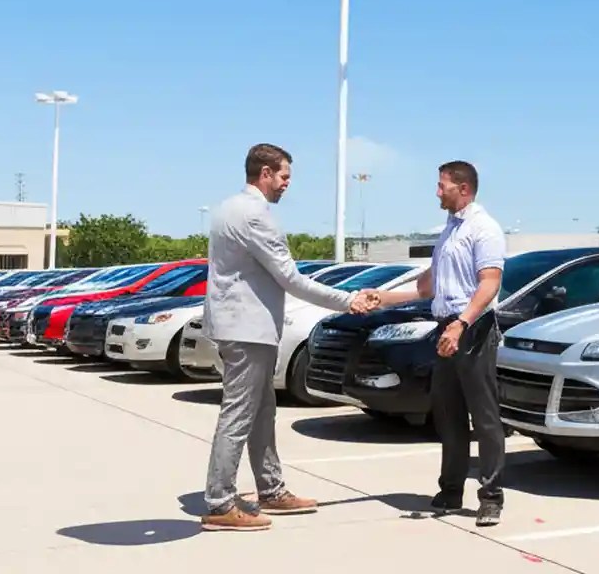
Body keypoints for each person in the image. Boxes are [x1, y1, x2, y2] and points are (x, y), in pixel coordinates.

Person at [200, 143, 366, 532]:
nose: (287, 185)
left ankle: (271, 488)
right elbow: (290, 278)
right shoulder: (257, 216)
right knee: (239, 414)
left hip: (238, 326)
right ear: (265, 173)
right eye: (284, 176)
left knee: (261, 413)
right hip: (248, 329)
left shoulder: (227, 208)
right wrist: (348, 301)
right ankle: (220, 501)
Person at [355, 160, 507, 527]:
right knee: (448, 413)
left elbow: (490, 283)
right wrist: (384, 297)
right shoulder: (449, 231)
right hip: (446, 326)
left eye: (442, 186)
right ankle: (451, 490)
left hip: (472, 329)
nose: (437, 192)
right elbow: (428, 286)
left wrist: (461, 324)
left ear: (464, 188)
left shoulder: (484, 228)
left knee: (484, 416)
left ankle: (490, 497)